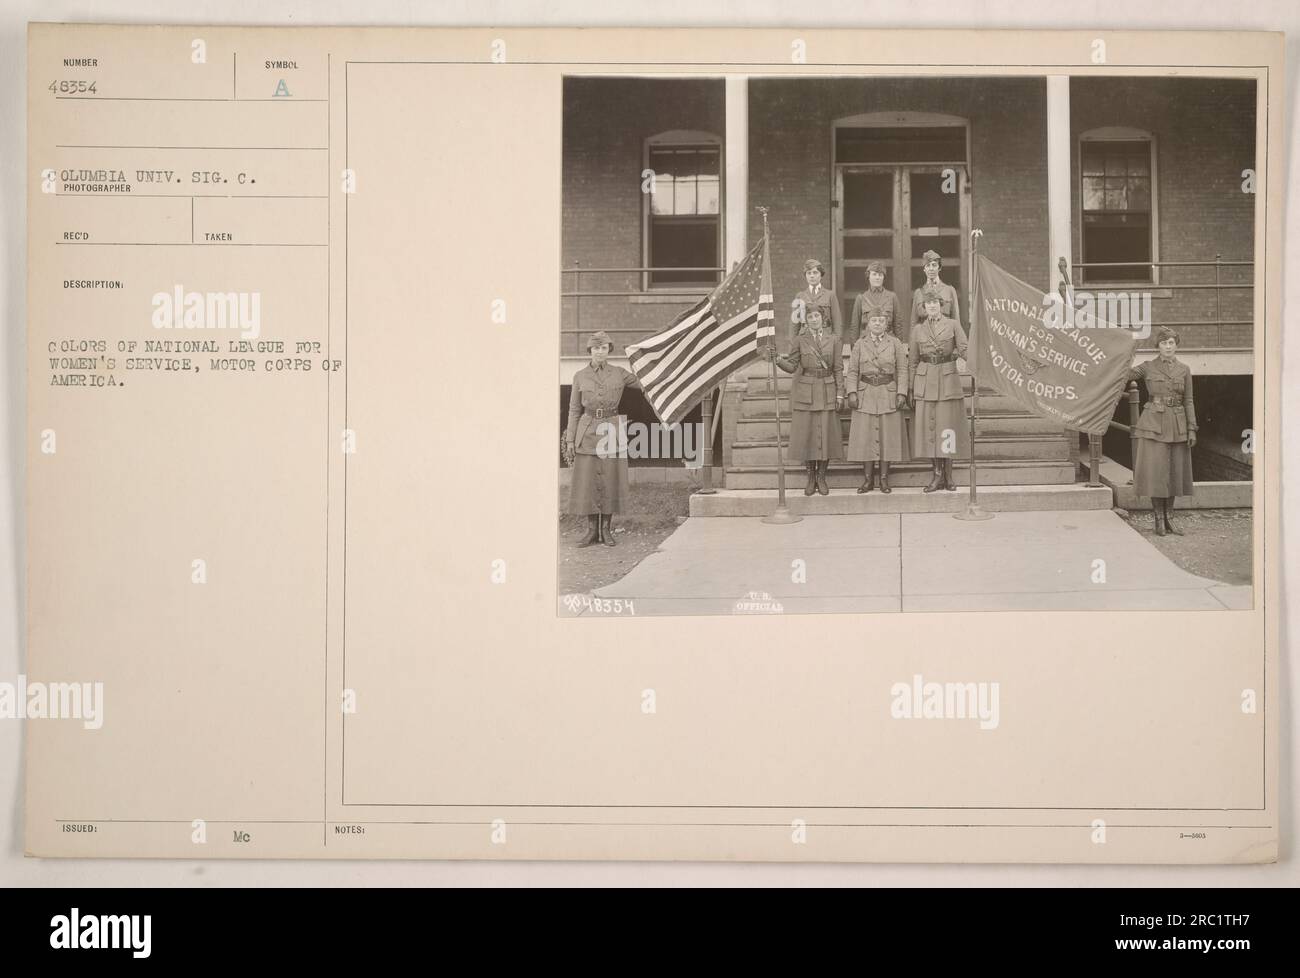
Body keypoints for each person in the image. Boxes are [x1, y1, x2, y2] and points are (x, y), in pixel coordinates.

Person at [564, 330, 640, 547]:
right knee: (588, 481)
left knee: (609, 479)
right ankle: (591, 531)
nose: (600, 351)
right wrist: (570, 440)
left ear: (609, 351)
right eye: (596, 348)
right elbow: (573, 410)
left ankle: (606, 530)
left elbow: (644, 382)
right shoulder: (579, 376)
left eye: (604, 348)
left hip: (612, 430)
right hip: (587, 431)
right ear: (590, 350)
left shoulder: (619, 373)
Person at [1128, 326, 1197, 536]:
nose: (1168, 346)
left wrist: (1192, 428)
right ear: (1157, 346)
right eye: (1164, 343)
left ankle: (1170, 518)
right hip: (1153, 424)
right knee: (1156, 473)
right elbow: (1126, 374)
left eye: (1171, 342)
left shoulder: (1184, 369)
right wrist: (1124, 351)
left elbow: (1188, 400)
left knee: (1174, 472)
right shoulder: (1148, 367)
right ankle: (1158, 518)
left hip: (1178, 425)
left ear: (1176, 345)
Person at [767, 306, 844, 495]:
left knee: (825, 435)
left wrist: (840, 393)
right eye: (810, 317)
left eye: (817, 316)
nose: (814, 319)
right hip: (806, 392)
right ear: (806, 321)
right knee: (808, 436)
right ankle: (810, 477)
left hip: (827, 389)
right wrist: (777, 359)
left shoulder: (833, 340)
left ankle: (822, 477)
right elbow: (792, 366)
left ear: (823, 319)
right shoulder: (800, 341)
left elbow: (838, 369)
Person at [909, 288, 969, 492]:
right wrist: (910, 388)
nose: (932, 306)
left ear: (941, 305)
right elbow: (913, 361)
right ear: (924, 308)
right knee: (930, 430)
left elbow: (964, 348)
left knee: (947, 429)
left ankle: (948, 475)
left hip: (947, 380)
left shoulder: (952, 324)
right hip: (926, 383)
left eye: (935, 302)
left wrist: (977, 363)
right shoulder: (917, 330)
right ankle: (936, 474)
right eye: (928, 303)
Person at [846, 310, 910, 493]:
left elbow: (902, 370)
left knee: (886, 437)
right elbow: (852, 371)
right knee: (866, 437)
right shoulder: (860, 343)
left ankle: (883, 479)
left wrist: (901, 393)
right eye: (874, 320)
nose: (877, 323)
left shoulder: (895, 343)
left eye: (881, 320)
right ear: (867, 323)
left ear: (886, 324)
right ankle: (868, 480)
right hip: (865, 394)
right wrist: (851, 392)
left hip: (887, 393)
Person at [848, 260, 904, 347]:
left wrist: (898, 347)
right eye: (874, 274)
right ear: (868, 276)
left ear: (883, 278)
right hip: (866, 344)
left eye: (880, 275)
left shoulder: (892, 297)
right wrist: (854, 350)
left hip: (888, 344)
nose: (877, 277)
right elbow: (854, 327)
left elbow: (898, 325)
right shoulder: (861, 298)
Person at [790, 258, 841, 349]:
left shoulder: (830, 295)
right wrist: (793, 347)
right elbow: (794, 325)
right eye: (809, 273)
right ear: (805, 276)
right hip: (805, 340)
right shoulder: (800, 296)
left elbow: (837, 323)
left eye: (815, 272)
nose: (812, 276)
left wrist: (836, 345)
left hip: (825, 339)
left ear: (821, 275)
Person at [909, 249, 960, 338]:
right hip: (925, 339)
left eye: (934, 265)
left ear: (939, 268)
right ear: (924, 269)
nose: (931, 268)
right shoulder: (918, 293)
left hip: (945, 338)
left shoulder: (949, 290)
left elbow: (956, 319)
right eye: (928, 266)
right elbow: (914, 322)